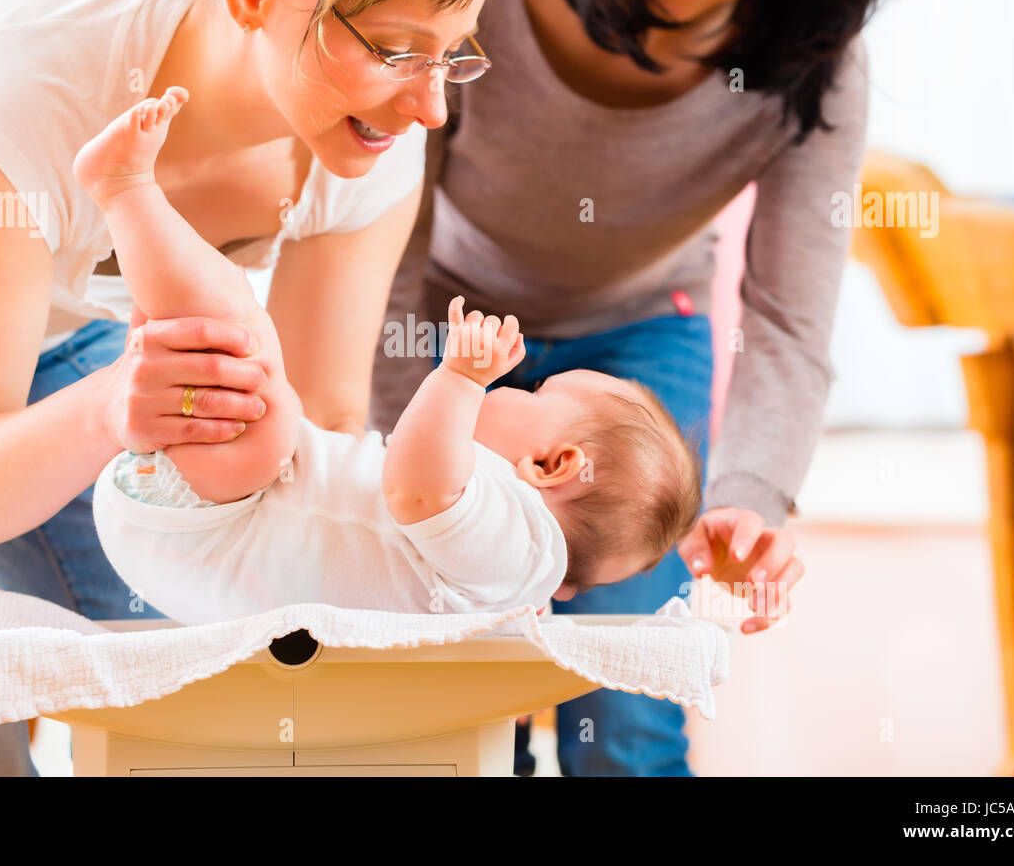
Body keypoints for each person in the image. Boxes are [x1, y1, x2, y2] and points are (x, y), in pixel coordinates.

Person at [0, 0, 503, 774]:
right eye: (395, 49)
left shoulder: (372, 138)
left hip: (52, 327)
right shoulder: (34, 76)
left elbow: (314, 436)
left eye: (453, 53)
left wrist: (457, 565)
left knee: (197, 684)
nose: (430, 105)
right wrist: (104, 408)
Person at [369, 0, 897, 775]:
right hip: (448, 333)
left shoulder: (815, 57)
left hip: (642, 337)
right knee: (445, 681)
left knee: (629, 712)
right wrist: (397, 453)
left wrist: (750, 498)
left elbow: (791, 316)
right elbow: (382, 250)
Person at [71, 85, 702, 622]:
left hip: (211, 529)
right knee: (234, 362)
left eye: (538, 395)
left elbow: (418, 489)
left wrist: (460, 377)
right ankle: (155, 297)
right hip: (205, 532)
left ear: (552, 464)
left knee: (248, 355)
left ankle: (123, 190)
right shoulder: (507, 576)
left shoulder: (516, 544)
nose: (518, 386)